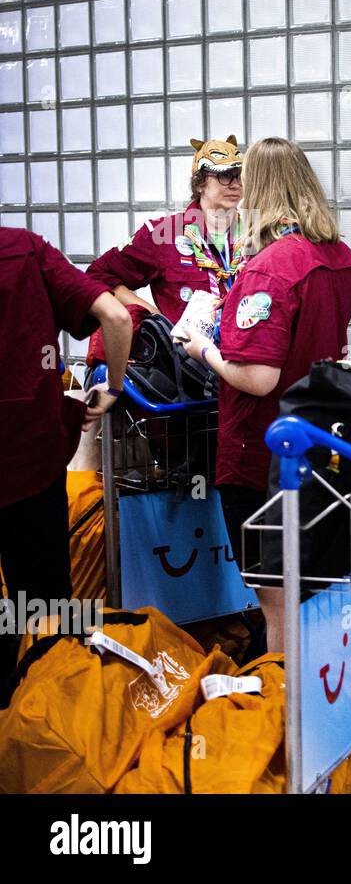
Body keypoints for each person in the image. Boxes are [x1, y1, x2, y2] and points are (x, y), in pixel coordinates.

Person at [178, 137, 351, 654]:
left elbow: (257, 377)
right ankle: (325, 701)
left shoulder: (268, 268)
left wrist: (203, 349)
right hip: (320, 446)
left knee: (275, 595)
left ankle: (285, 715)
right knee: (311, 588)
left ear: (260, 187)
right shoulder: (340, 257)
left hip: (260, 452)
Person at [0, 226, 131, 678]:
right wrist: (111, 389)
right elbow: (117, 318)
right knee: (44, 604)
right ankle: (44, 704)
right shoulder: (25, 250)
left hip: (30, 455)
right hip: (30, 456)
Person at [87, 135, 245, 327]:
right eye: (225, 175)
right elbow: (99, 275)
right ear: (199, 183)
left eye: (239, 175)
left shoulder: (256, 232)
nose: (236, 184)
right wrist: (153, 316)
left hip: (245, 353)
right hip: (185, 354)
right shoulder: (164, 233)